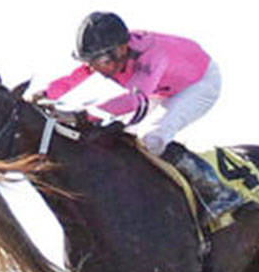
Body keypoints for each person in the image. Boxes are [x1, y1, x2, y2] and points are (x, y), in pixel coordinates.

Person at [38, 11, 243, 217]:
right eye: (90, 62)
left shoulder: (153, 56)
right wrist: (45, 94)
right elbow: (75, 78)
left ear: (121, 50)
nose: (96, 70)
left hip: (199, 84)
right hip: (161, 88)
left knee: (152, 138)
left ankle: (217, 191)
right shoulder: (112, 53)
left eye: (99, 61)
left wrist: (83, 116)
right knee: (124, 137)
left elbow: (132, 100)